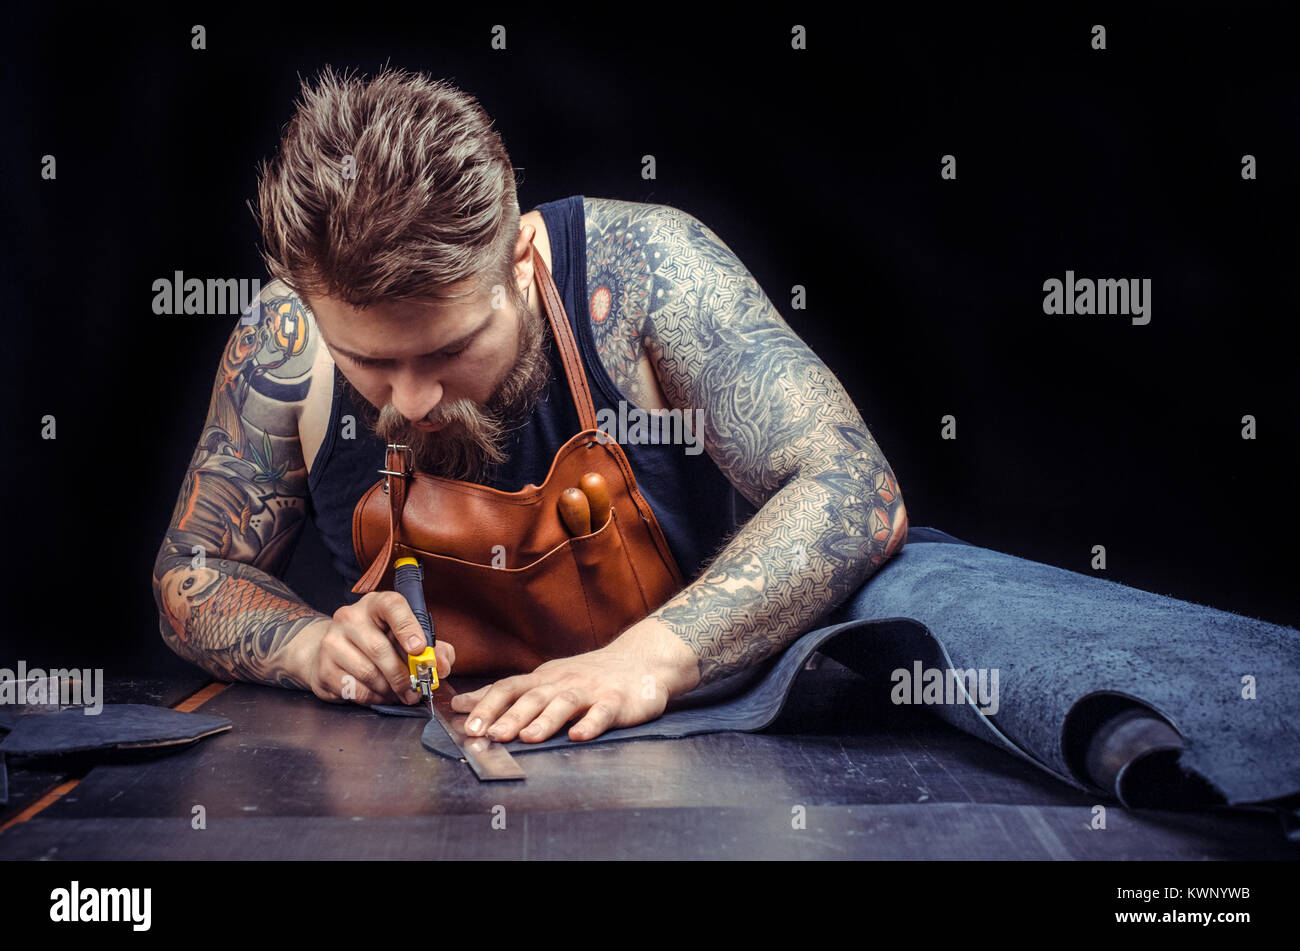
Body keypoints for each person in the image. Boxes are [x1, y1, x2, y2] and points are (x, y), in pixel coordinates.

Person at [152, 66, 908, 746]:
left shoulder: (649, 273)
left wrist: (645, 660)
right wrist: (310, 645)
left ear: (519, 259)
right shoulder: (284, 336)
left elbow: (853, 486)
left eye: (450, 350)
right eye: (371, 362)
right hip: (415, 777)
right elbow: (196, 568)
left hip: (682, 752)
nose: (412, 400)